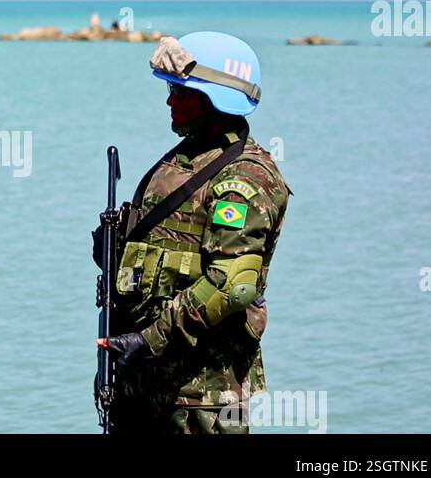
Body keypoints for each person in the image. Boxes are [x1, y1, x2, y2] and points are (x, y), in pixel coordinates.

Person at [94, 32, 291, 434]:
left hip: (202, 398)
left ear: (216, 99)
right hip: (146, 385)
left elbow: (230, 285)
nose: (170, 101)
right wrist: (117, 251)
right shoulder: (185, 160)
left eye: (181, 93)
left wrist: (150, 341)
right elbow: (166, 255)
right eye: (172, 90)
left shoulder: (244, 178)